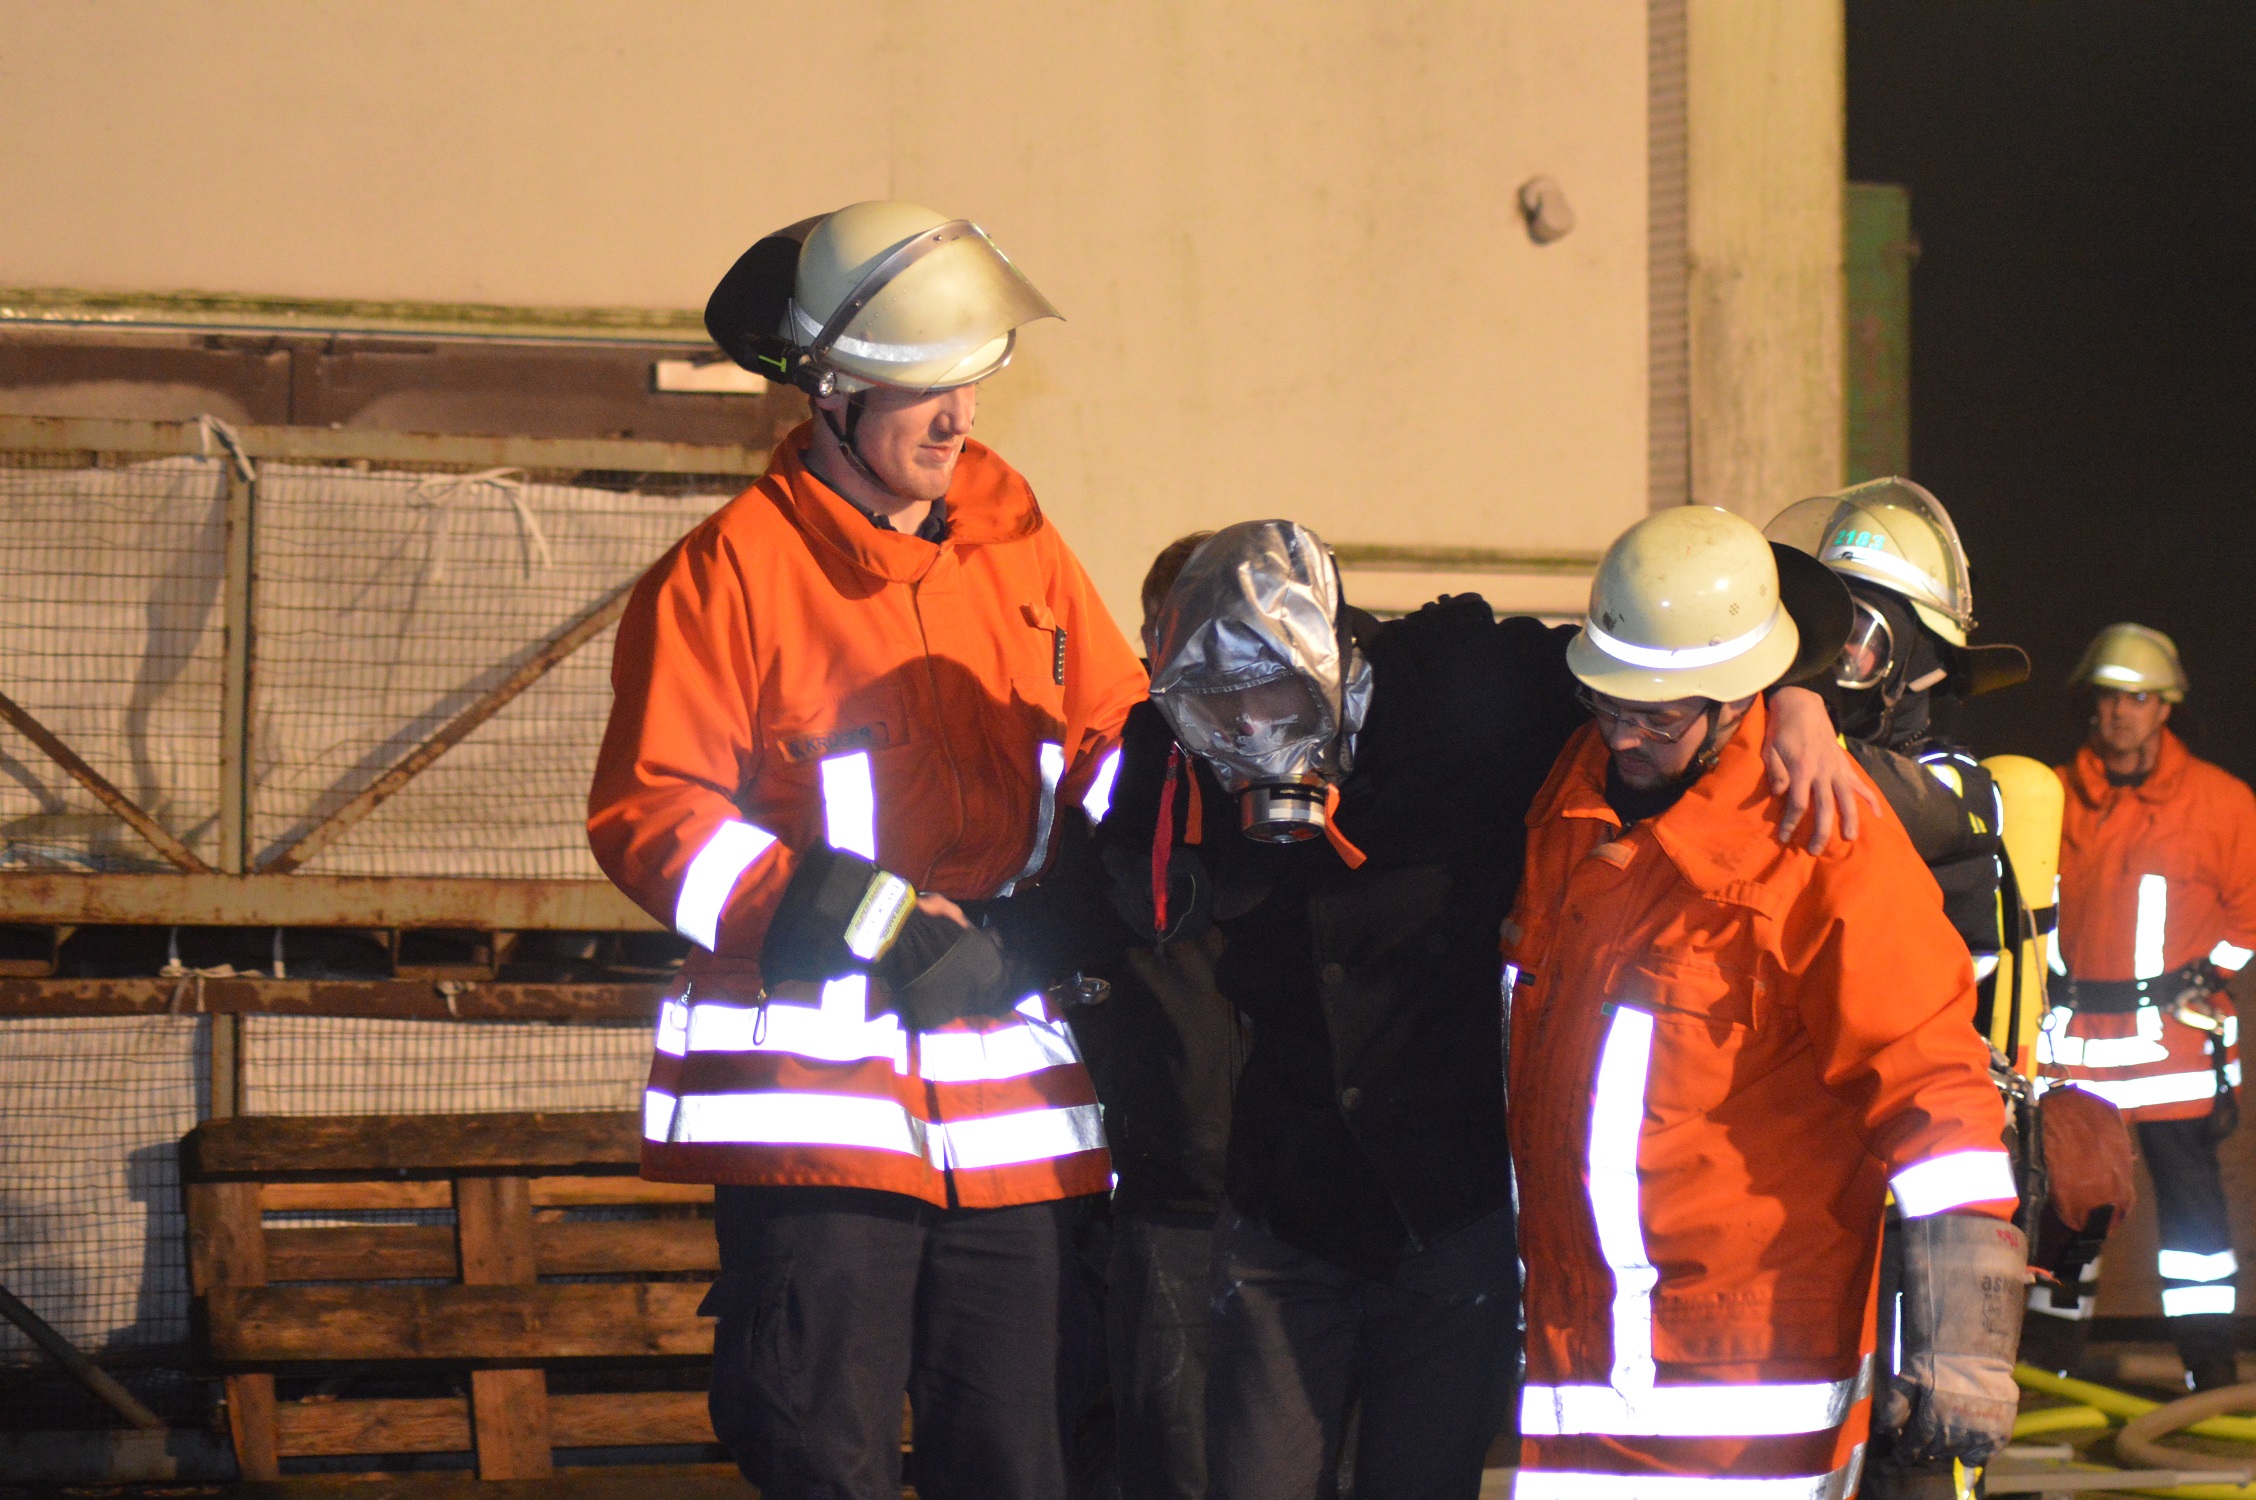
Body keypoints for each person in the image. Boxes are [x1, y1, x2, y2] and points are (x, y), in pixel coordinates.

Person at [1092, 518, 1870, 1500]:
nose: (1249, 729)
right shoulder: (1171, 749)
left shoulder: (1466, 686)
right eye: (1217, 709)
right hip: (1285, 1207)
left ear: (1329, 655)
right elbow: (1099, 910)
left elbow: (1669, 645)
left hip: (1450, 1214)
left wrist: (1795, 702)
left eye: (1276, 694)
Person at [587, 200, 1147, 1500]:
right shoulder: (730, 574)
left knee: (1018, 1456)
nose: (956, 420)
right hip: (814, 1102)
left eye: (969, 378)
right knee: (818, 1448)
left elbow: (1118, 747)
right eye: (919, 389)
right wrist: (862, 918)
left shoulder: (1022, 554)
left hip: (1005, 1101)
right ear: (829, 388)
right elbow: (652, 812)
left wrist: (1060, 919)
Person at [1506, 505, 2025, 1499]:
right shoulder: (1568, 806)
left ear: (1739, 696)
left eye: (1658, 713)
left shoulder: (1825, 841)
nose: (1625, 733)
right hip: (1577, 1380)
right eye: (1609, 701)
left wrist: (1965, 1342)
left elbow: (1936, 1087)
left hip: (1743, 1400)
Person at [1067, 530, 1246, 1500]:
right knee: (1157, 1459)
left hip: (1289, 1204)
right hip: (1155, 1195)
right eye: (1169, 637)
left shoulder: (1312, 770)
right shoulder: (1119, 771)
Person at [2040, 623, 2256, 1391]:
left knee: (2195, 1228)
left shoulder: (2222, 804)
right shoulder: (2050, 799)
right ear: (2089, 706)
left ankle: (2211, 1375)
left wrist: (2201, 978)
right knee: (2067, 1213)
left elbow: (2248, 918)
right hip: (2077, 1051)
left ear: (2165, 708)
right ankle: (2045, 1371)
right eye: (2108, 698)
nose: (2121, 714)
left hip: (2172, 1055)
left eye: (2137, 699)